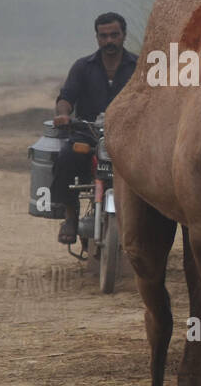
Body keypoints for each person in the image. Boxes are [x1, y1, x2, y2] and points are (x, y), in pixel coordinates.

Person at [52, 12, 137, 244]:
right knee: (66, 157)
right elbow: (66, 97)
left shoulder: (139, 66)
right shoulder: (82, 67)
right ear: (97, 37)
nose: (109, 40)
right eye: (104, 36)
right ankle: (70, 216)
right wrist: (63, 115)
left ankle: (152, 223)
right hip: (88, 134)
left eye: (114, 35)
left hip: (129, 137)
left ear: (124, 35)